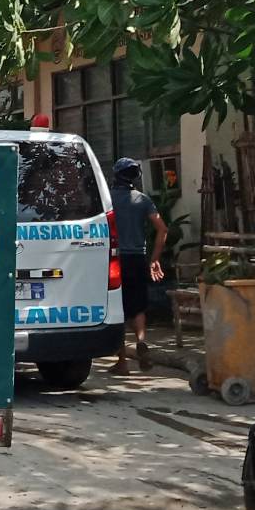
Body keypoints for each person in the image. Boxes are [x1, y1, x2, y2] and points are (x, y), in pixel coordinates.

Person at [109, 157, 168, 375]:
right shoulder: (143, 199)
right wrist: (155, 259)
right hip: (137, 258)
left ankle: (122, 362)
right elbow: (162, 229)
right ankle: (141, 341)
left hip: (115, 259)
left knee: (117, 309)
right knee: (138, 307)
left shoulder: (108, 199)